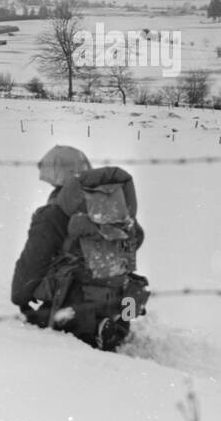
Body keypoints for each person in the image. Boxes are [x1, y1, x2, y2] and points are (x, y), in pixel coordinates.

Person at [11, 145, 147, 349]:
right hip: (117, 296)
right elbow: (138, 236)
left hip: (74, 303)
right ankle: (112, 325)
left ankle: (90, 328)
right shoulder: (110, 207)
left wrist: (20, 297)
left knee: (38, 318)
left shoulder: (53, 214)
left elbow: (33, 262)